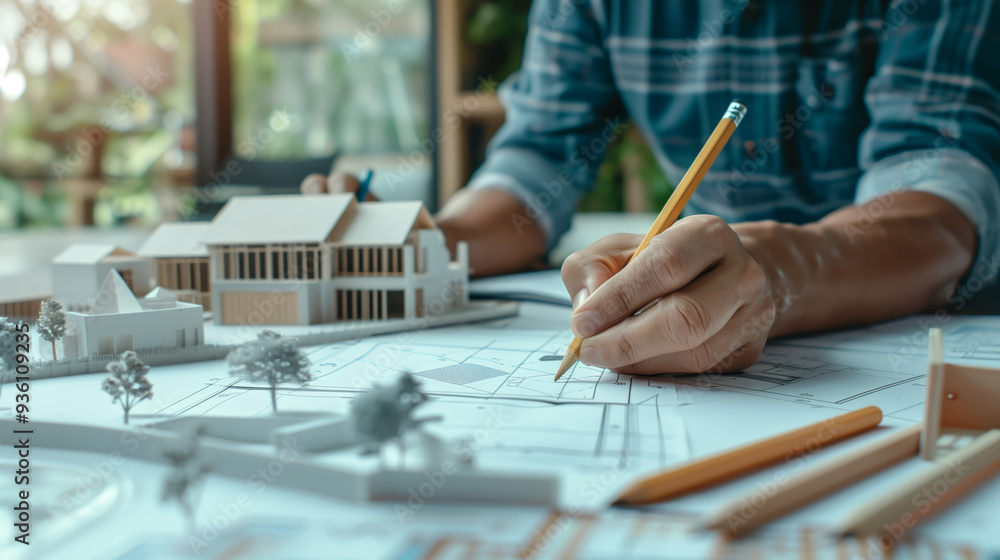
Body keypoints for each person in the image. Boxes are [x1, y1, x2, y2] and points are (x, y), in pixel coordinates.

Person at [303, 1, 1000, 376]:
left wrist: (779, 271)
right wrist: (424, 241)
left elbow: (938, 199)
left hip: (934, 333)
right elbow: (537, 165)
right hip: (712, 295)